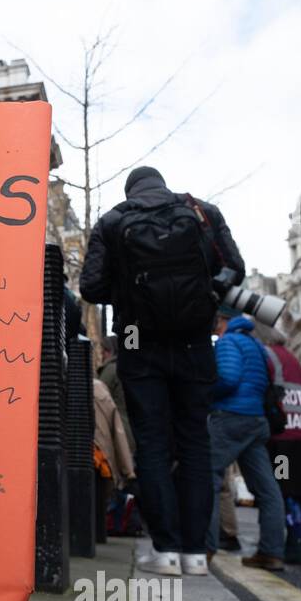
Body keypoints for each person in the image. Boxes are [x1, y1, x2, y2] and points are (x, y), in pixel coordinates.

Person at [80, 166, 245, 577]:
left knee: (152, 445)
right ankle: (195, 554)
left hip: (139, 342)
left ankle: (166, 551)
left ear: (130, 190)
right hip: (194, 342)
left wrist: (130, 287)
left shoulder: (113, 221)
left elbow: (91, 287)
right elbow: (234, 269)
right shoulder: (202, 212)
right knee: (194, 444)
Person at [207, 308, 287, 569]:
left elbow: (228, 378)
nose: (215, 326)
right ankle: (272, 552)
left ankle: (203, 549)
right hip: (256, 419)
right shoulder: (256, 344)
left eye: (217, 321)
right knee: (267, 489)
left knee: (207, 477)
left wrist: (208, 391)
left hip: (231, 416)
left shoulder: (229, 341)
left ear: (224, 321)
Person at [254, 321, 301, 565]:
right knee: (299, 491)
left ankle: (293, 544)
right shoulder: (291, 357)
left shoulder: (267, 355)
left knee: (283, 491)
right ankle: (299, 541)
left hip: (283, 438)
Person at [94, 376, 136, 536]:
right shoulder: (100, 387)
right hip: (121, 436)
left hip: (110, 442)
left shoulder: (102, 382)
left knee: (120, 492)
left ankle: (117, 524)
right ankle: (121, 525)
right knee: (122, 489)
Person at [96, 335, 134, 453]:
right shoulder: (128, 368)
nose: (102, 355)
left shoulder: (111, 370)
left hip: (118, 432)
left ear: (110, 351)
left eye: (104, 351)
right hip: (132, 429)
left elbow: (97, 396)